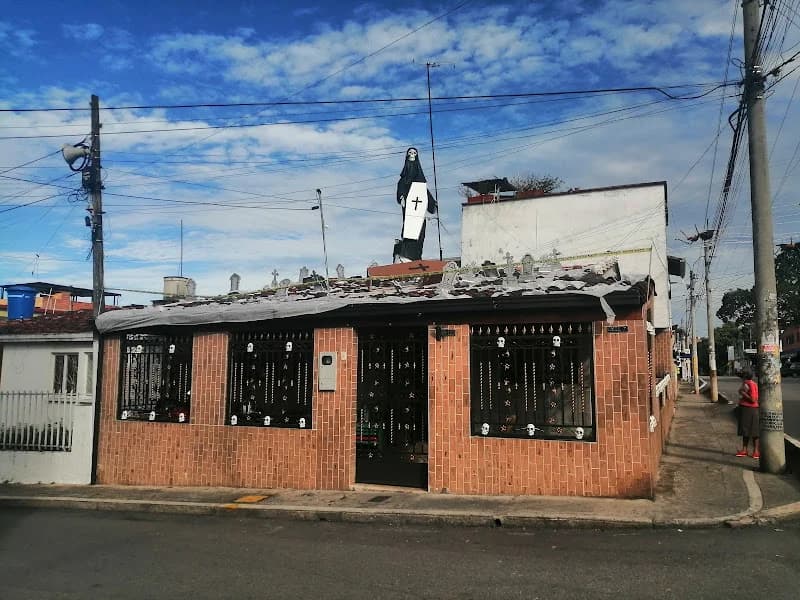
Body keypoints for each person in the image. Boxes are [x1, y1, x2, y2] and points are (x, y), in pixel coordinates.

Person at [735, 369, 760, 458]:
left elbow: (753, 399)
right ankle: (745, 450)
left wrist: (743, 393)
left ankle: (755, 451)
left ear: (745, 376)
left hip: (750, 409)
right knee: (745, 430)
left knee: (753, 431)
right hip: (746, 409)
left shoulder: (750, 384)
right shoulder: (747, 383)